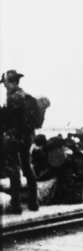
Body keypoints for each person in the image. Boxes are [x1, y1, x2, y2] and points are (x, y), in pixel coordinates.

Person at [1, 70, 42, 213]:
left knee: (13, 170)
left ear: (12, 83)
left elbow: (8, 121)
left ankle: (16, 205)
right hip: (27, 138)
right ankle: (34, 202)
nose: (5, 88)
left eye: (6, 85)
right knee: (27, 167)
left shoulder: (13, 99)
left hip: (14, 137)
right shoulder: (28, 98)